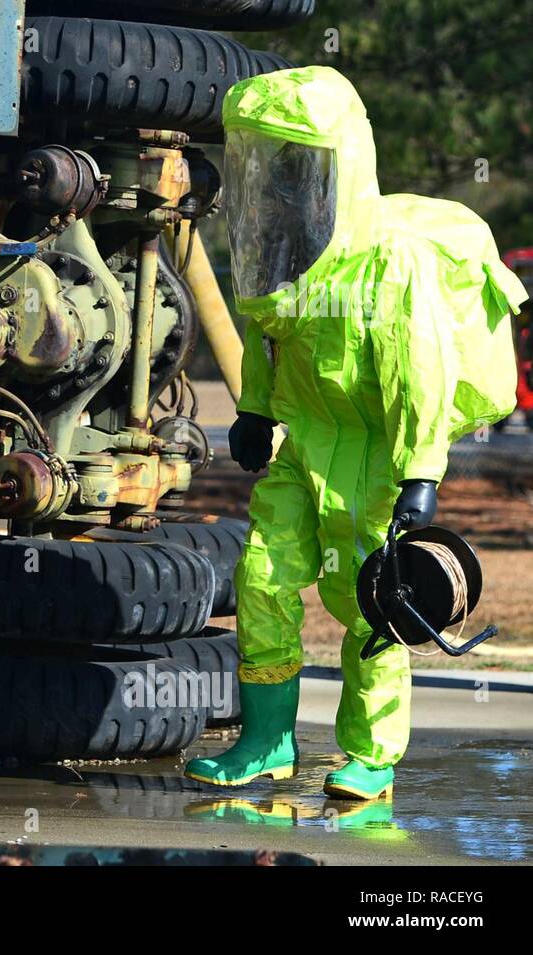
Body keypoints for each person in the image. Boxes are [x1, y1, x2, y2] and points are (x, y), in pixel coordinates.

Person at [185, 66, 528, 800]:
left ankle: (371, 756)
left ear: (341, 165)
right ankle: (267, 740)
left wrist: (421, 473)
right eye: (268, 164)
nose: (280, 185)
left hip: (375, 458)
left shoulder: (392, 263)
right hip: (303, 443)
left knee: (373, 603)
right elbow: (265, 331)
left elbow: (421, 376)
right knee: (263, 580)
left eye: (296, 164)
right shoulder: (281, 251)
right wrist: (255, 410)